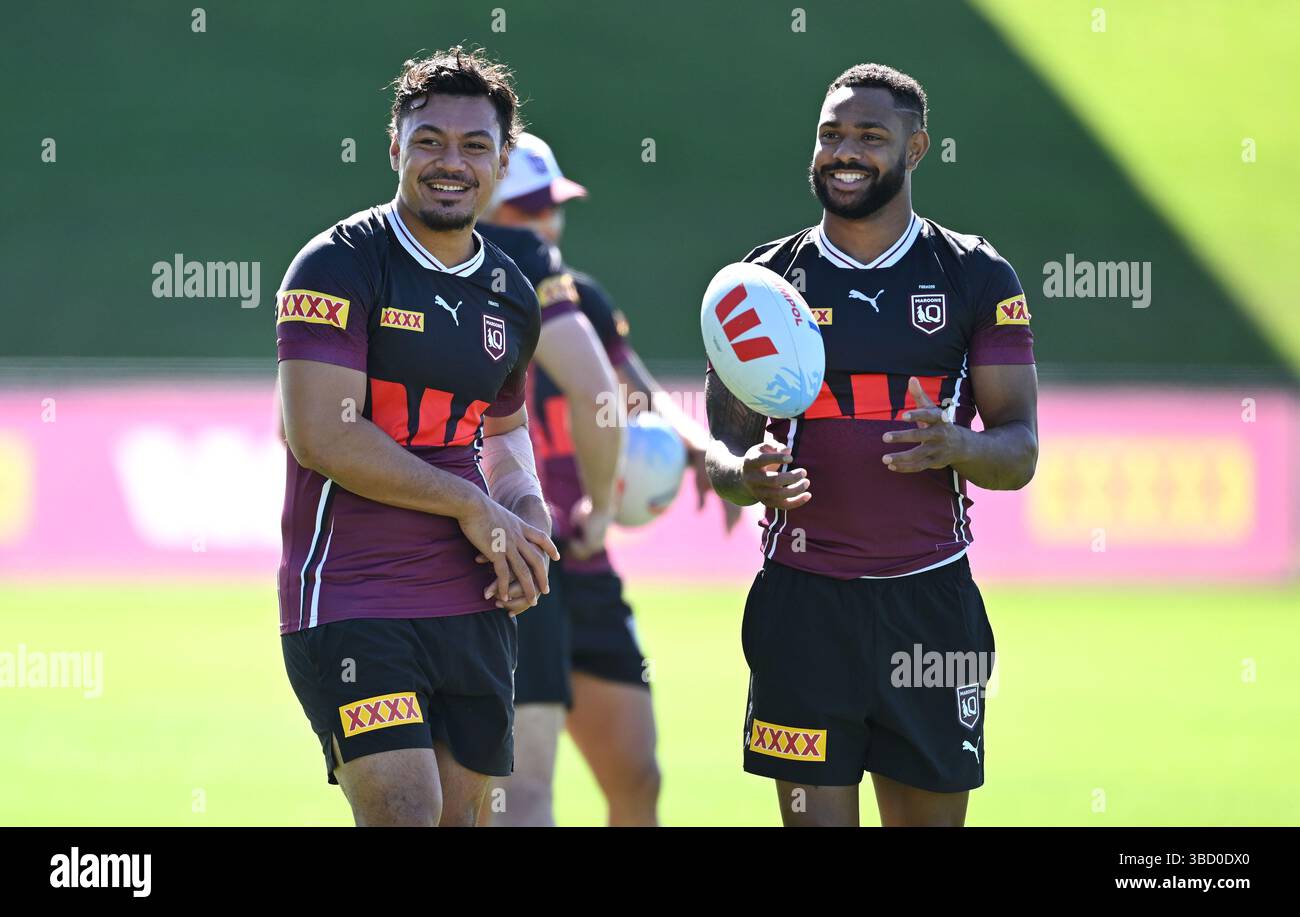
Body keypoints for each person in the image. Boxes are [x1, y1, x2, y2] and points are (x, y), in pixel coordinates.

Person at [705, 63, 1039, 827]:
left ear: (916, 148)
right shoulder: (762, 281)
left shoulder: (976, 276)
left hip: (931, 606)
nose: (843, 151)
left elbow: (1018, 450)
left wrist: (957, 443)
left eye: (869, 136)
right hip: (801, 607)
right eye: (830, 135)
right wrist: (745, 474)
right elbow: (722, 453)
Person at [275, 47, 560, 827]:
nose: (450, 162)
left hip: (470, 604)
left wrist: (525, 514)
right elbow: (320, 436)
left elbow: (502, 436)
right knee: (406, 812)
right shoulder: (337, 265)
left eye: (475, 146)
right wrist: (472, 505)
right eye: (429, 140)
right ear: (395, 147)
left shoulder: (511, 292)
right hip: (350, 597)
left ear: (502, 161)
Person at [482, 132, 739, 826]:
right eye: (529, 208)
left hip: (588, 561)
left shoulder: (579, 300)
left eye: (553, 206)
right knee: (524, 786)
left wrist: (710, 456)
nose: (548, 223)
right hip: (518, 560)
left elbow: (641, 397)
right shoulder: (464, 296)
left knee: (637, 774)